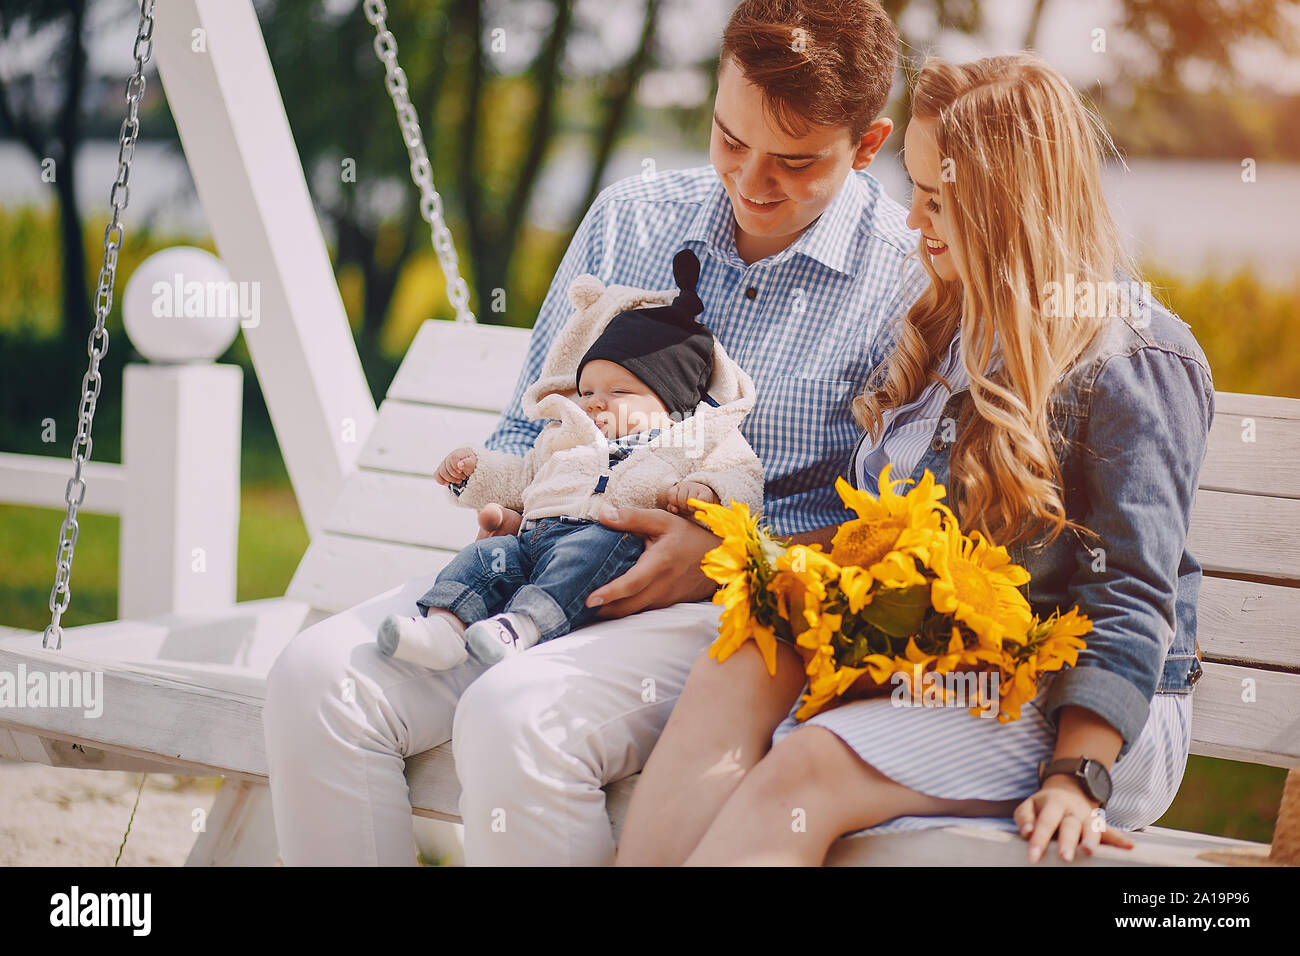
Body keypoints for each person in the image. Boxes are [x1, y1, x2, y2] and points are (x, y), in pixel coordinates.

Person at [261, 0, 927, 865]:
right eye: (731, 139)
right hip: (546, 561)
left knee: (516, 720)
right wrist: (512, 496)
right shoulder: (631, 219)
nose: (752, 182)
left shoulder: (908, 281)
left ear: (870, 145)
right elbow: (530, 413)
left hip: (731, 624)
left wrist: (729, 553)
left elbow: (897, 522)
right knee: (317, 683)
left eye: (795, 162)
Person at [614, 52, 1214, 867]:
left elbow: (1131, 595)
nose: (912, 219)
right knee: (743, 653)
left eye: (937, 199)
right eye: (915, 190)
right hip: (940, 665)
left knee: (808, 765)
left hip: (1087, 715)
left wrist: (1077, 774)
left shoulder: (1130, 359)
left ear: (1009, 210)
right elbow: (896, 545)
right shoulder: (947, 323)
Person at [376, 249, 763, 669]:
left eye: (619, 393)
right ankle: (444, 628)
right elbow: (524, 475)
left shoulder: (691, 437)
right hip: (530, 540)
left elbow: (743, 477)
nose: (596, 404)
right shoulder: (565, 437)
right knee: (483, 558)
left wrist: (707, 489)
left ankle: (522, 626)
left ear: (671, 403)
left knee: (587, 553)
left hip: (607, 543)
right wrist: (476, 472)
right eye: (588, 391)